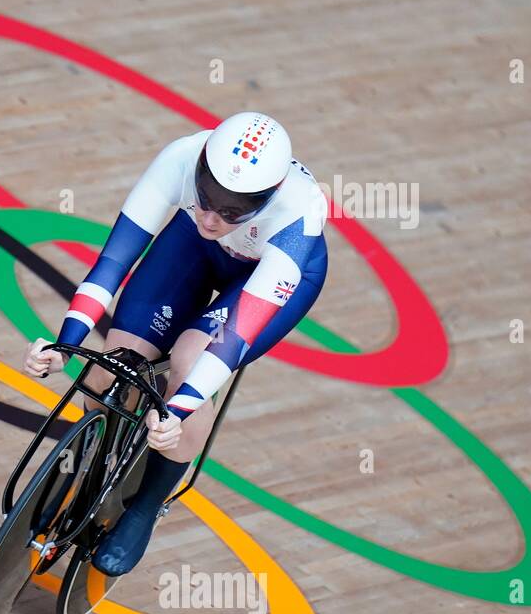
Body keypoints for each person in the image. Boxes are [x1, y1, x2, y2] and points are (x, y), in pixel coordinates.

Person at [23, 112, 329, 576]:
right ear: (201, 169)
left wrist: (180, 408)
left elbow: (231, 342)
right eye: (205, 200)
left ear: (264, 200)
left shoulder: (298, 216)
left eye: (230, 212)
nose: (211, 218)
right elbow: (112, 262)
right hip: (191, 248)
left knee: (191, 359)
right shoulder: (182, 157)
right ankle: (79, 470)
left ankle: (145, 508)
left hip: (266, 275)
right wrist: (67, 342)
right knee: (114, 362)